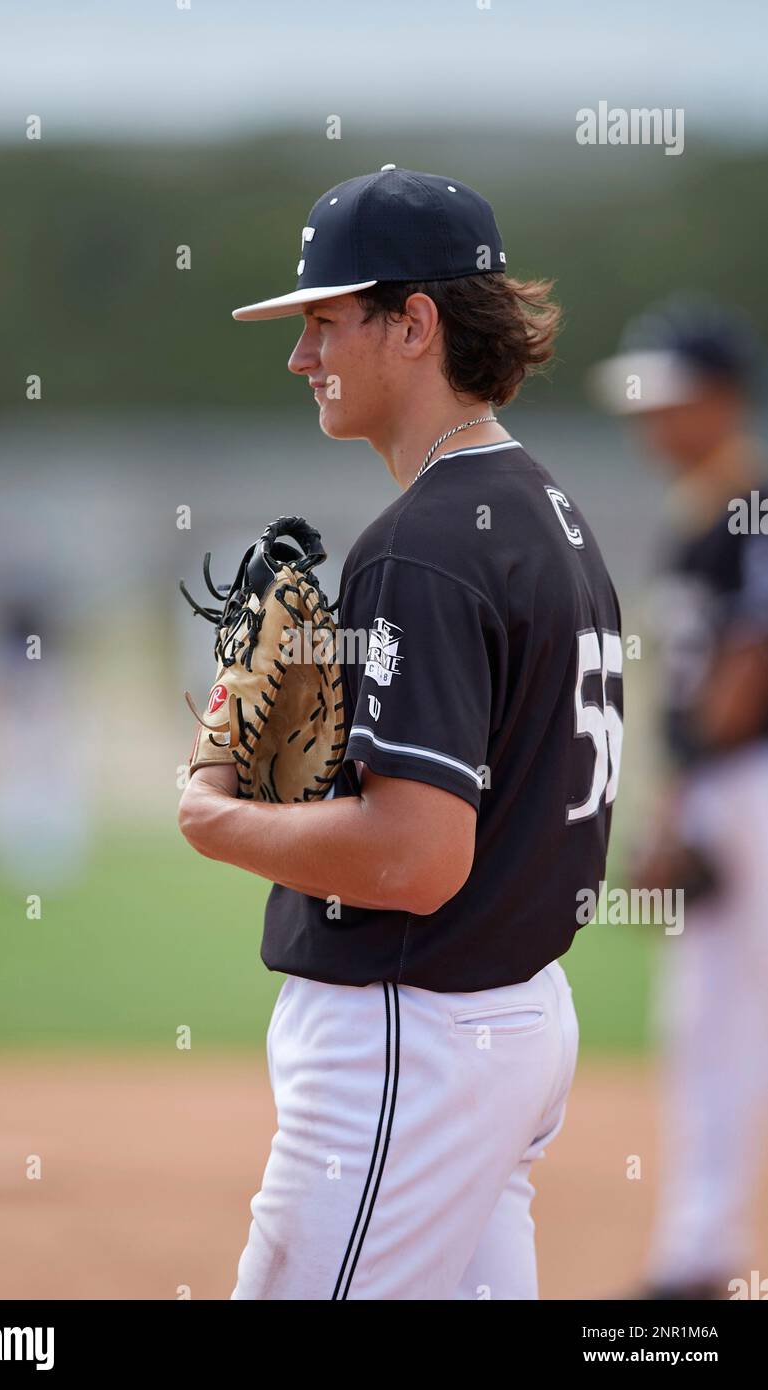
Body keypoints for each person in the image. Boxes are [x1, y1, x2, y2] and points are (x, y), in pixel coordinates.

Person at [179, 166, 623, 1300]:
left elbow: (417, 858)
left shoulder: (422, 542)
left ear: (414, 323)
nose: (301, 356)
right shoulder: (548, 513)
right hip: (502, 1018)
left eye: (326, 322)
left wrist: (220, 818)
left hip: (410, 1033)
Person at [590, 295, 768, 1299]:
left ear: (724, 398)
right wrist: (672, 806)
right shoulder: (698, 511)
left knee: (719, 1017)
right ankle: (698, 1251)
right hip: (720, 785)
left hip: (751, 784)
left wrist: (689, 789)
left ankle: (699, 1245)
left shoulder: (753, 499)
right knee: (705, 1022)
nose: (648, 421)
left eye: (669, 399)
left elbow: (751, 653)